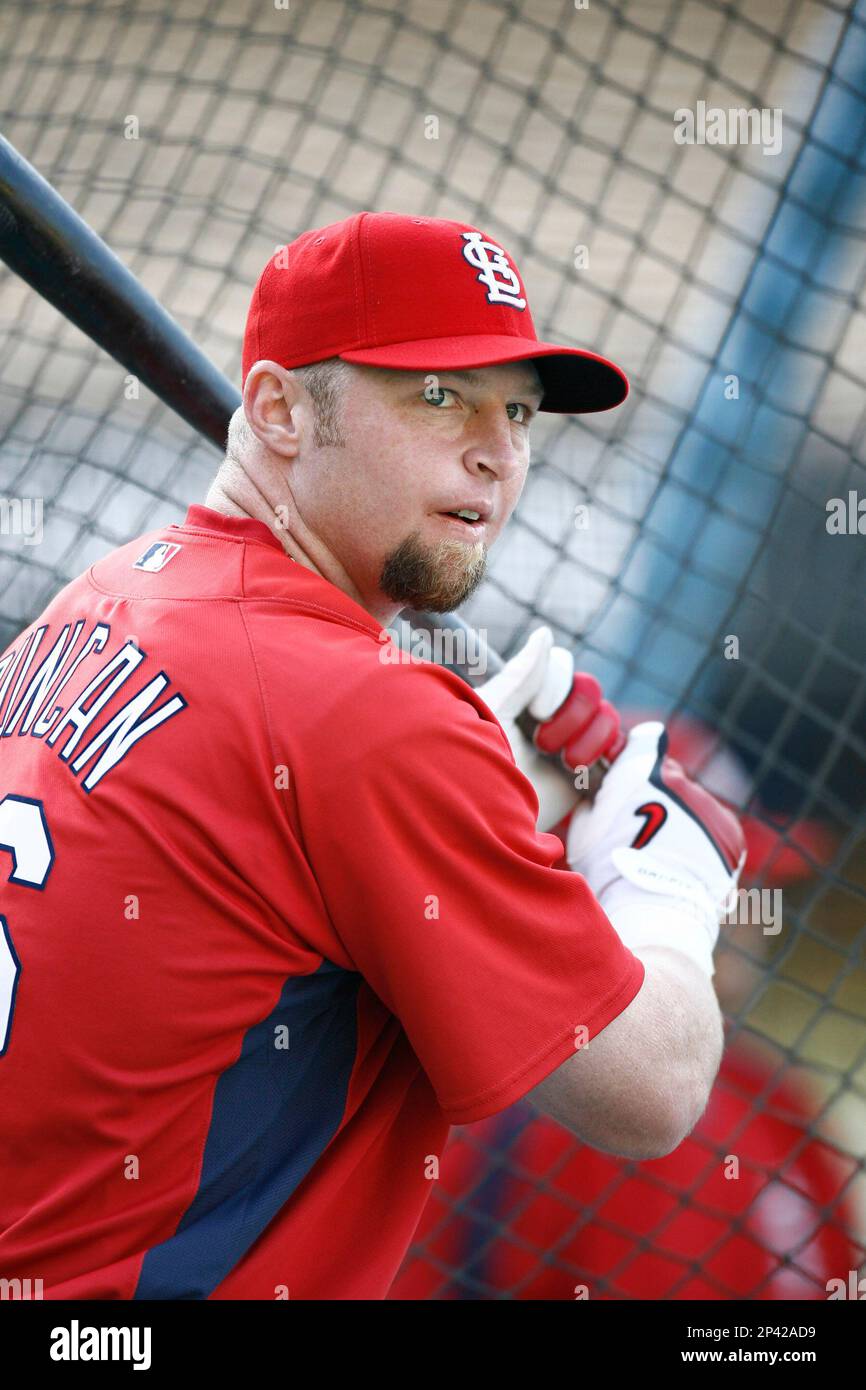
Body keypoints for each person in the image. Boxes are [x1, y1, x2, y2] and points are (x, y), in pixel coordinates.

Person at [0, 212, 743, 1300]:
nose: (497, 448)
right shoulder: (367, 719)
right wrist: (665, 882)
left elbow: (245, 846)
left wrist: (469, 779)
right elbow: (651, 1091)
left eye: (519, 410)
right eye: (437, 396)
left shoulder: (97, 600)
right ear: (277, 409)